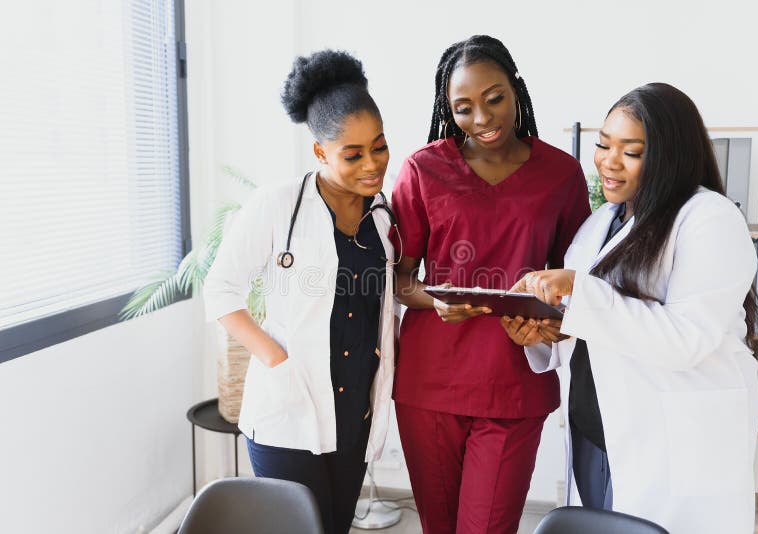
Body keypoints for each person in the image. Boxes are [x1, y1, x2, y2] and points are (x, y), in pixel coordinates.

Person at [503, 82, 758, 534]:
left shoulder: (709, 219)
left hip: (670, 444)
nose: (608, 160)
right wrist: (550, 332)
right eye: (604, 144)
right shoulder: (602, 221)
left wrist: (579, 292)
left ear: (669, 155)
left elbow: (687, 339)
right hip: (599, 436)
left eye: (631, 151)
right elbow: (595, 324)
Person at [390, 35, 591, 533]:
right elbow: (400, 279)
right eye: (463, 108)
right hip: (430, 382)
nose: (482, 118)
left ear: (516, 90)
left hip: (515, 381)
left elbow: (580, 286)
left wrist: (556, 329)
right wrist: (434, 299)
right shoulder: (423, 169)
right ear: (447, 108)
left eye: (494, 98)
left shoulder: (561, 174)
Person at [203, 50, 399, 534]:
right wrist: (276, 360)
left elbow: (387, 293)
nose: (372, 164)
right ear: (320, 152)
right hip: (289, 411)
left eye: (379, 146)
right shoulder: (277, 204)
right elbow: (220, 289)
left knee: (334, 528)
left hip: (354, 410)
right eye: (352, 154)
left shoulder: (383, 214)